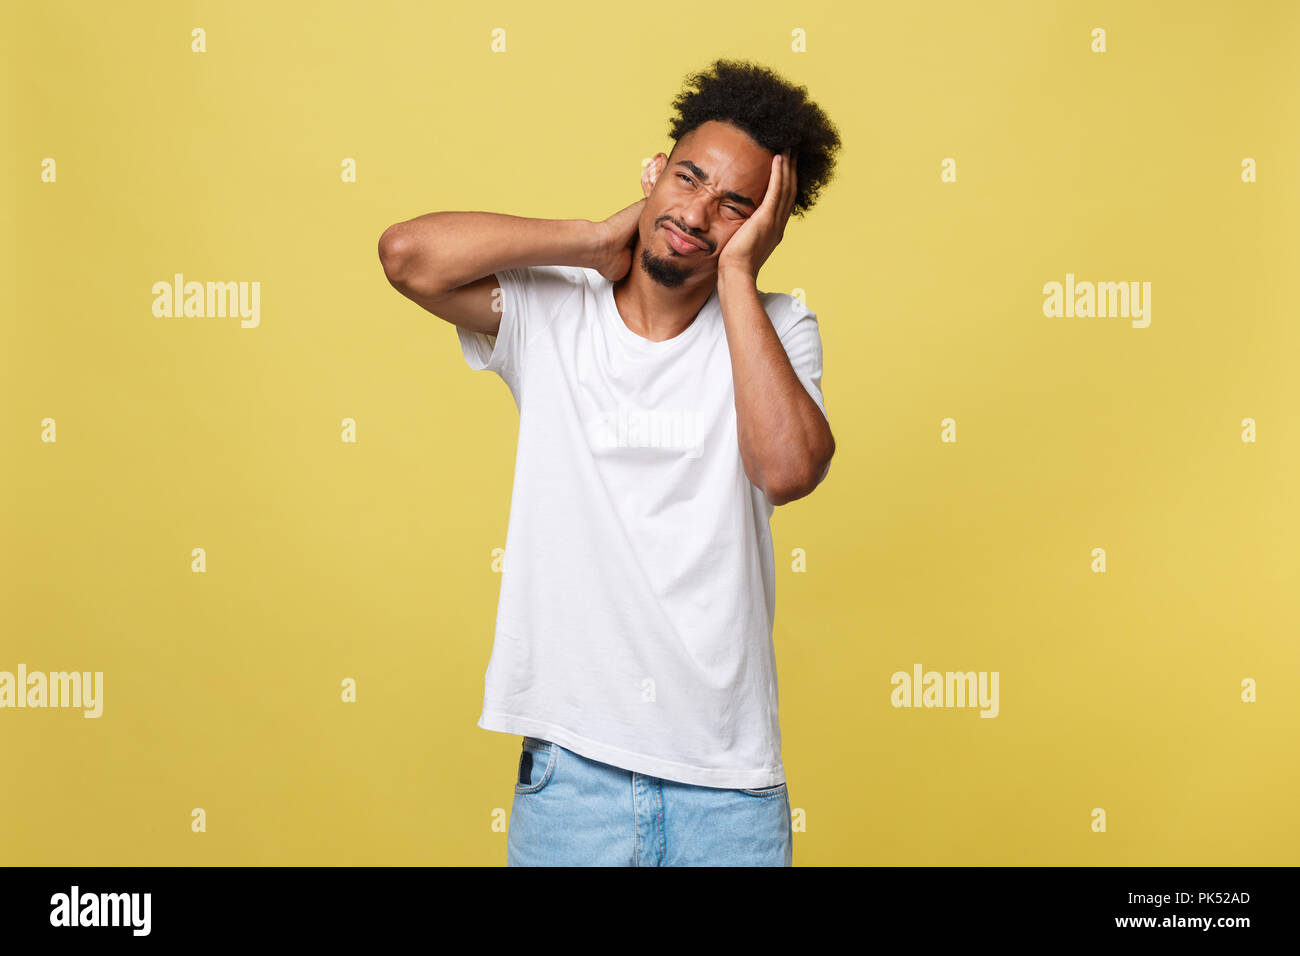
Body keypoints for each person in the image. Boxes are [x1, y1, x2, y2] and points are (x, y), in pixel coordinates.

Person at [378, 58, 841, 866]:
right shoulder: (552, 309)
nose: (697, 213)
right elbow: (407, 254)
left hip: (727, 789)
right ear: (655, 169)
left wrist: (737, 275)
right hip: (572, 778)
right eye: (689, 178)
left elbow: (787, 470)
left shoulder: (779, 329)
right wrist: (594, 240)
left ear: (768, 225)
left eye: (735, 206)